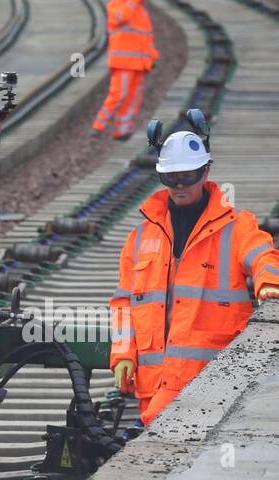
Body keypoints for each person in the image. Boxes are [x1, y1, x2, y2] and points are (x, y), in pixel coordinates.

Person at [110, 126, 279, 424]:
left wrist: (269, 285)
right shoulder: (139, 239)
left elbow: (264, 256)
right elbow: (123, 304)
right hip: (154, 382)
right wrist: (123, 353)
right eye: (170, 178)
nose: (179, 185)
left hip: (213, 381)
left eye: (188, 175)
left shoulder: (236, 227)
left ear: (205, 172)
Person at [91, 0, 157, 141]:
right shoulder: (115, 5)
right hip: (123, 62)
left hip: (139, 63)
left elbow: (147, 37)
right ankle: (98, 126)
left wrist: (152, 57)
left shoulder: (141, 11)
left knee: (133, 99)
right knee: (118, 95)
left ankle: (122, 131)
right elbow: (122, 18)